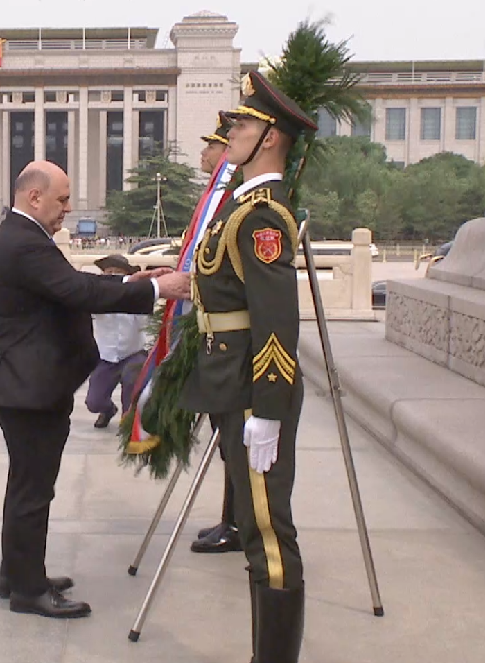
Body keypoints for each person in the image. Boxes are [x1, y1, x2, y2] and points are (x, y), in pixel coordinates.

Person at [0, 160, 180, 618]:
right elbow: (75, 292)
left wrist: (129, 281)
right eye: (62, 199)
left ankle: (18, 573)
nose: (67, 208)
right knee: (33, 491)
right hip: (25, 385)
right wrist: (156, 291)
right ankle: (28, 590)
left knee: (26, 485)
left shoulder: (25, 238)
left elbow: (72, 285)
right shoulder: (24, 243)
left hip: (25, 381)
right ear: (35, 197)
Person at [179, 71, 318, 662]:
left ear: (268, 137)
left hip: (250, 388)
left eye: (241, 123)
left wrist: (269, 410)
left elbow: (275, 320)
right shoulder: (241, 206)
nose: (230, 131)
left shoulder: (262, 216)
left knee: (267, 530)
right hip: (228, 378)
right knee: (259, 527)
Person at [191, 113, 244, 555]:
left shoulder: (240, 203)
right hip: (218, 343)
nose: (205, 153)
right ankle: (232, 520)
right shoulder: (219, 198)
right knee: (227, 441)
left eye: (213, 144)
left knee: (239, 445)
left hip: (238, 351)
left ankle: (241, 524)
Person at [86, 254, 151, 429]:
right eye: (109, 272)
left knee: (132, 382)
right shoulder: (97, 298)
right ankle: (107, 410)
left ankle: (128, 421)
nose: (113, 275)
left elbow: (145, 322)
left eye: (117, 272)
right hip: (105, 356)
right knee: (94, 401)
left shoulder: (136, 297)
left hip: (133, 353)